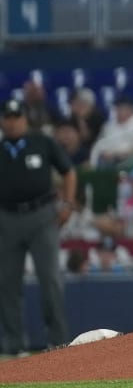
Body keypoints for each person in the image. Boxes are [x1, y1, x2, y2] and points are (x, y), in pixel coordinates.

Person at [0, 99, 75, 355]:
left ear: (24, 119)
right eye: (6, 117)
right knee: (7, 283)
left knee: (50, 279)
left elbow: (68, 171)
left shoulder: (41, 142)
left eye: (15, 116)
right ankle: (14, 346)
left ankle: (57, 342)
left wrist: (67, 204)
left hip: (42, 215)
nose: (11, 122)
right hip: (7, 218)